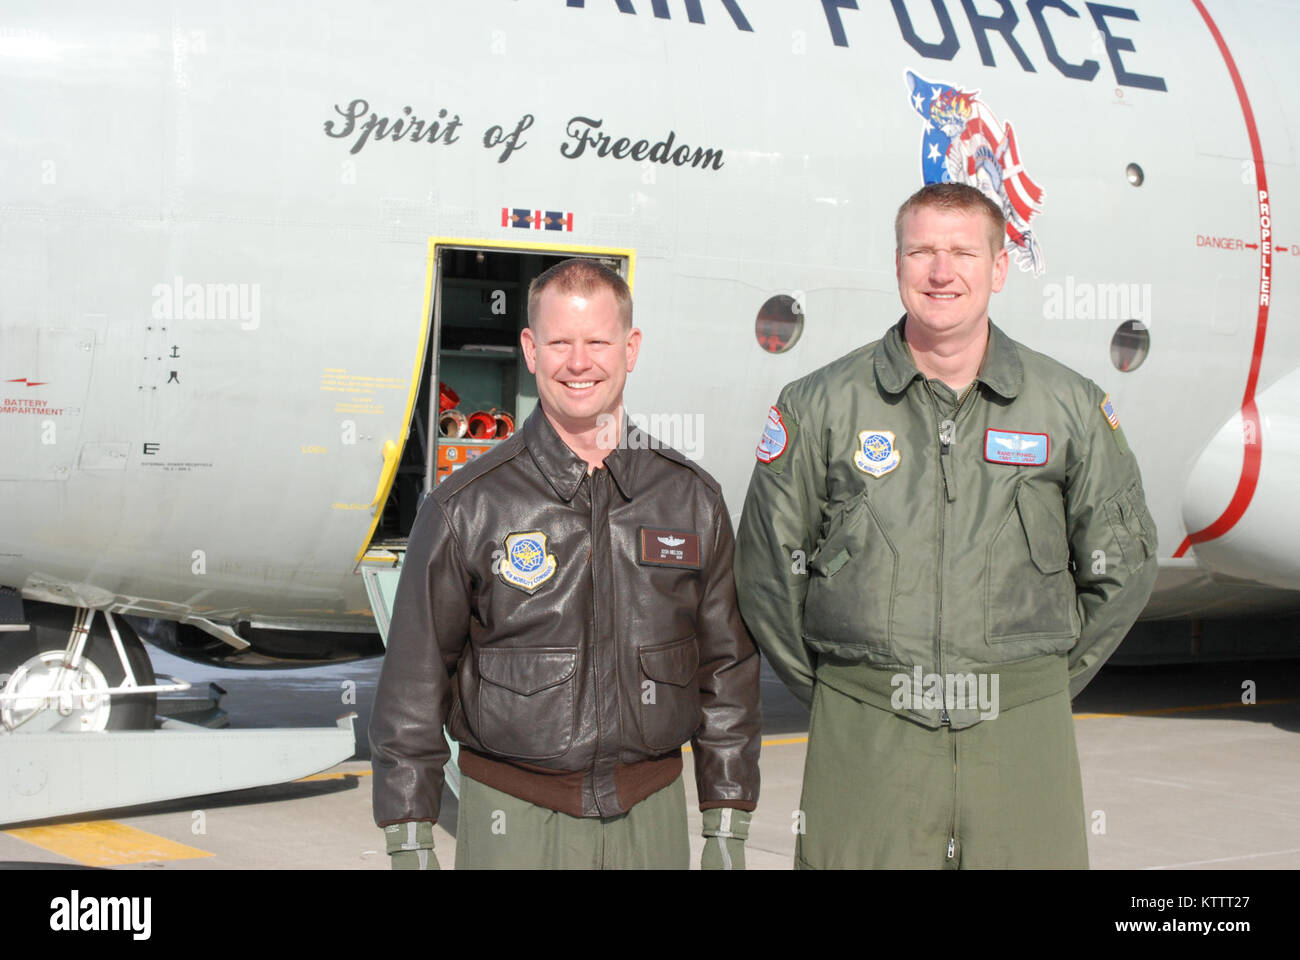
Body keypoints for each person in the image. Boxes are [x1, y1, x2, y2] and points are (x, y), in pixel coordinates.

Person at [734, 182, 1158, 869]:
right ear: (898, 263)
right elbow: (765, 571)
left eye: (963, 251)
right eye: (922, 250)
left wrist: (1041, 681)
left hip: (1019, 726)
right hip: (867, 726)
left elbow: (1125, 563)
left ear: (998, 268)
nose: (941, 271)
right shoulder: (818, 406)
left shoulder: (1070, 408)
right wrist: (844, 693)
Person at [370, 258, 761, 869]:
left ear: (631, 348)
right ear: (529, 349)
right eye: (559, 342)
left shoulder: (690, 499)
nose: (579, 363)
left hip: (650, 819)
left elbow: (727, 672)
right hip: (514, 820)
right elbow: (413, 685)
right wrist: (410, 838)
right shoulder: (466, 506)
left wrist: (727, 825)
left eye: (598, 341)